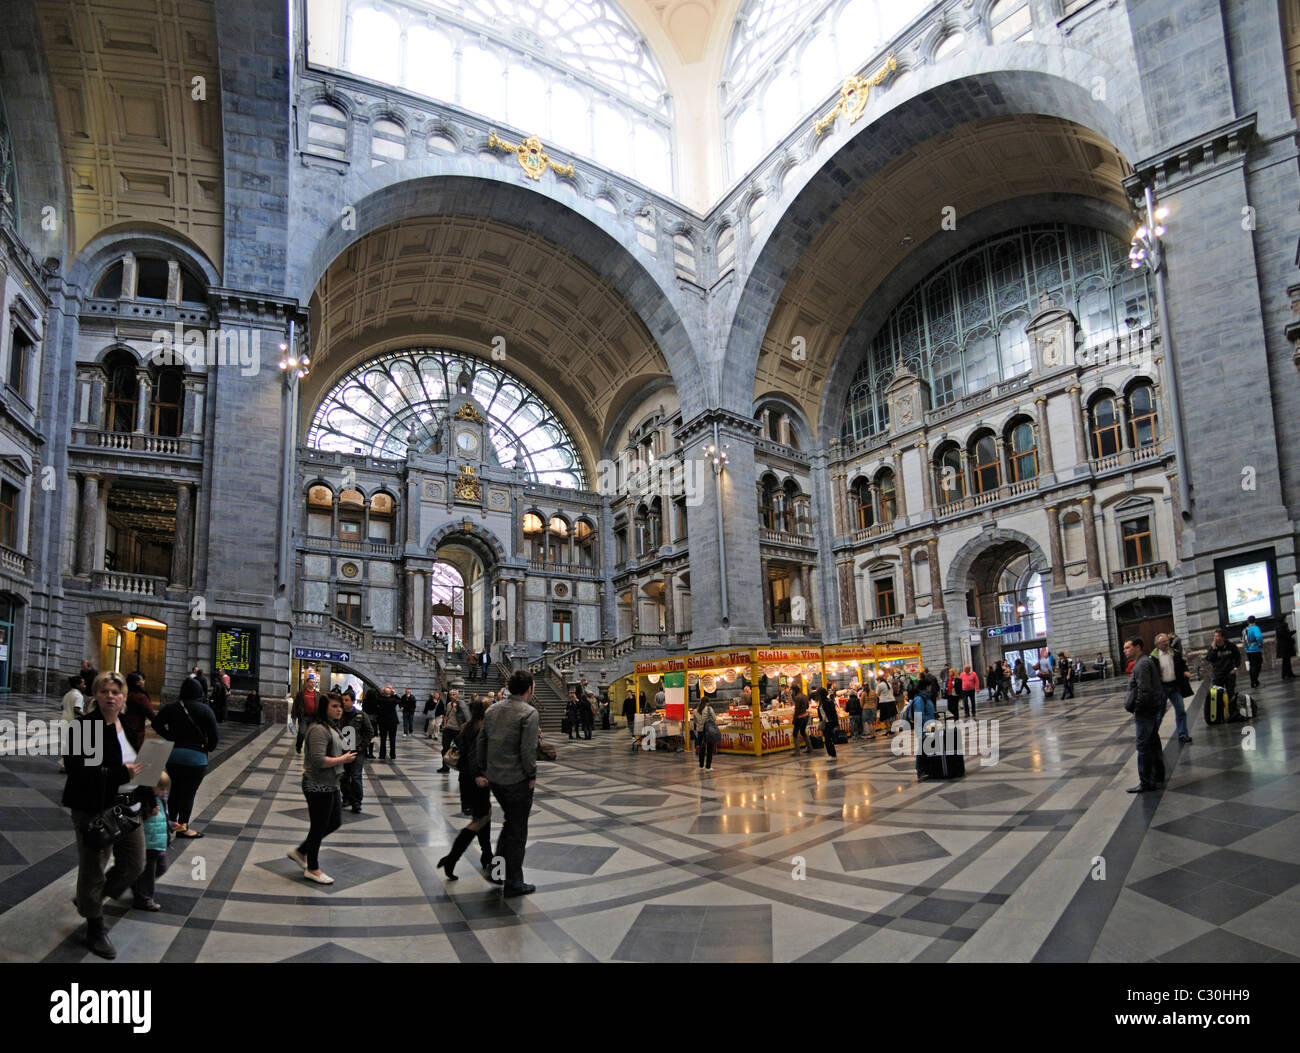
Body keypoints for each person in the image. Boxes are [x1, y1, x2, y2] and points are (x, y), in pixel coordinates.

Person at [63, 671, 147, 958]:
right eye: (104, 691)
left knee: (134, 864)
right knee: (92, 870)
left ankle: (90, 900)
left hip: (127, 807)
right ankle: (95, 928)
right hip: (94, 809)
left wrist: (146, 791)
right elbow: (79, 773)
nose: (110, 696)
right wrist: (119, 773)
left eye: (116, 691)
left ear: (123, 696)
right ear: (95, 695)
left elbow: (135, 762)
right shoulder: (85, 728)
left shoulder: (126, 724)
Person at [475, 670, 540, 897]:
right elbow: (528, 750)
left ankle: (498, 871)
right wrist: (531, 775)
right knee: (518, 831)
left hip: (495, 778)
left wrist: (483, 768)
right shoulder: (529, 713)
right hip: (517, 780)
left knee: (509, 825)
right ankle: (513, 883)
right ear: (529, 689)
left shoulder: (493, 709)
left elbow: (481, 741)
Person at [288, 691, 356, 884]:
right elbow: (318, 760)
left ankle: (301, 852)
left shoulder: (331, 726)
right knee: (318, 827)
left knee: (334, 822)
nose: (339, 709)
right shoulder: (318, 729)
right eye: (334, 706)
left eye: (340, 706)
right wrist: (342, 759)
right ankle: (313, 868)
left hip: (330, 783)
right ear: (324, 708)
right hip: (317, 784)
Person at [152, 684, 219, 839]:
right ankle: (183, 827)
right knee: (188, 794)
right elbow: (214, 737)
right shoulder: (205, 710)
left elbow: (156, 724)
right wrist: (208, 747)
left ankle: (170, 824)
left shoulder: (172, 707)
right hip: (196, 758)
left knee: (175, 789)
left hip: (174, 755)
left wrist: (170, 738)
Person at [437, 699, 495, 879]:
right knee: (480, 819)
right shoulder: (480, 729)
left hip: (467, 777)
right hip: (475, 779)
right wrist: (479, 774)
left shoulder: (467, 727)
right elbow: (474, 755)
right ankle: (452, 858)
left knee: (483, 816)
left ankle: (487, 856)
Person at [1123, 637, 1165, 793]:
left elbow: (1144, 690)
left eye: (1127, 647)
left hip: (1145, 711)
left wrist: (1138, 707)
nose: (1125, 650)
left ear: (1137, 647)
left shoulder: (1141, 665)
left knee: (1143, 746)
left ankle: (1146, 781)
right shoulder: (1145, 662)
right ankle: (1158, 775)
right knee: (1153, 742)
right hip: (1151, 708)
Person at [130, 771, 171, 912]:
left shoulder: (161, 801)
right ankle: (144, 899)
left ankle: (138, 886)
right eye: (162, 788)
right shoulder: (146, 801)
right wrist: (148, 812)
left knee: (162, 867)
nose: (164, 791)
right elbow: (140, 817)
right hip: (149, 843)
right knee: (149, 873)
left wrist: (170, 824)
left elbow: (162, 819)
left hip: (159, 842)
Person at [1151, 634, 1193, 744]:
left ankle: (1183, 734)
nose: (1166, 643)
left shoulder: (1174, 653)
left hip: (1174, 686)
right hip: (1162, 688)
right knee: (1159, 714)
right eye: (1163, 642)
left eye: (1167, 641)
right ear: (1157, 644)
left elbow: (1182, 664)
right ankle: (1153, 735)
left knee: (1181, 711)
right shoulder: (1153, 658)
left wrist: (1185, 671)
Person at [337, 696, 374, 813]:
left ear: (353, 702)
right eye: (342, 700)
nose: (344, 702)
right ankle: (346, 797)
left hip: (357, 750)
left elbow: (369, 731)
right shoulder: (338, 714)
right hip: (342, 750)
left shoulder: (361, 715)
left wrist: (362, 746)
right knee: (343, 776)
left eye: (346, 700)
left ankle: (357, 802)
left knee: (356, 776)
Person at [58, 675, 86, 773]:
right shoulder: (79, 696)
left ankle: (63, 764)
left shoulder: (68, 694)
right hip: (73, 721)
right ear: (78, 685)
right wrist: (86, 716)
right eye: (83, 684)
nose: (85, 686)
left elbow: (62, 707)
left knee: (65, 743)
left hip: (64, 719)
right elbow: (76, 709)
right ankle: (67, 764)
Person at [1204, 629, 1242, 701]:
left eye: (1217, 636)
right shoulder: (1213, 647)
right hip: (1217, 674)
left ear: (1223, 637)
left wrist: (1235, 668)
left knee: (1231, 693)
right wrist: (1213, 649)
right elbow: (1209, 658)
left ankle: (1231, 709)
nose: (1215, 638)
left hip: (1229, 673)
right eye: (1214, 636)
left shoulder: (1231, 646)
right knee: (1218, 695)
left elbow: (1238, 657)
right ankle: (1221, 710)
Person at [438, 691, 467, 773]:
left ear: (457, 696)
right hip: (448, 729)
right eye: (451, 695)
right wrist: (445, 724)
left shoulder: (462, 704)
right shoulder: (448, 704)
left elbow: (464, 717)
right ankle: (445, 767)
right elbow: (447, 716)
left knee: (461, 749)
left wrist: (456, 710)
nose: (452, 696)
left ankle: (462, 766)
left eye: (454, 694)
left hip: (457, 730)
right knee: (445, 749)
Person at [291, 676, 320, 755]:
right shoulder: (301, 693)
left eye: (313, 682)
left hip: (313, 717)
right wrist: (293, 716)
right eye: (310, 682)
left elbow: (319, 706)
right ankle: (298, 746)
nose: (312, 683)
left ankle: (309, 750)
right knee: (302, 732)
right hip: (304, 716)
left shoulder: (317, 694)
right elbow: (295, 704)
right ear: (307, 683)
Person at [375, 685, 400, 761]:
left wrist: (381, 693)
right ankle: (393, 755)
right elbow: (400, 700)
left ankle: (382, 755)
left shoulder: (380, 699)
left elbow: (377, 699)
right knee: (392, 739)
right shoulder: (393, 700)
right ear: (390, 693)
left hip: (382, 722)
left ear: (383, 693)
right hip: (392, 722)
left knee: (383, 739)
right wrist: (394, 693)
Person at [693, 696, 717, 771]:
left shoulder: (695, 710)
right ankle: (708, 766)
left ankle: (701, 765)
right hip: (708, 731)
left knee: (701, 748)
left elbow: (695, 721)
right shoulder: (709, 709)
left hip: (700, 731)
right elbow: (714, 718)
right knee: (709, 749)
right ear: (707, 702)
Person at [815, 688, 839, 760]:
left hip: (830, 723)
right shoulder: (821, 703)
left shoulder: (828, 702)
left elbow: (834, 713)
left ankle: (832, 754)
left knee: (828, 739)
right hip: (825, 723)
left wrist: (836, 724)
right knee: (827, 739)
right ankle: (831, 754)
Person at [1242, 615, 1264, 689]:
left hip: (1248, 650)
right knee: (1258, 664)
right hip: (1255, 649)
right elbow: (1259, 637)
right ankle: (1255, 681)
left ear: (1248, 622)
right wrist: (1260, 644)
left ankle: (1253, 682)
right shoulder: (1255, 628)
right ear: (1255, 621)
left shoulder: (1245, 629)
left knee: (1252, 665)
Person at [792, 687, 811, 754]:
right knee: (803, 732)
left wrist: (794, 719)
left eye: (792, 691)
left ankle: (797, 751)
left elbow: (796, 710)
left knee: (795, 733)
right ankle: (809, 748)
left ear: (795, 690)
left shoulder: (797, 697)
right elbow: (807, 706)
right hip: (806, 715)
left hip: (800, 716)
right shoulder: (805, 696)